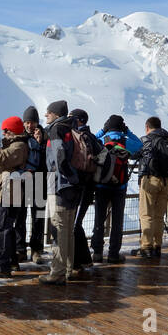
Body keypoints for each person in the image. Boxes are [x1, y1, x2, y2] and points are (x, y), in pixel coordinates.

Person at [40, 101, 81, 283]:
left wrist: (66, 175)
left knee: (59, 229)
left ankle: (57, 273)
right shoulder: (72, 127)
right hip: (73, 185)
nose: (46, 115)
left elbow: (59, 156)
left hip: (60, 184)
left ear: (56, 114)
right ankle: (69, 269)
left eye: (49, 112)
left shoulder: (56, 129)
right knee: (68, 229)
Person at [0, 117, 30, 278]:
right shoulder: (14, 145)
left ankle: (1, 266)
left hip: (8, 192)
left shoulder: (18, 146)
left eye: (6, 130)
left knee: (1, 229)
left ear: (14, 131)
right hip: (8, 191)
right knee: (7, 229)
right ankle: (11, 262)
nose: (3, 133)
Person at [93, 114, 142, 261]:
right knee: (117, 221)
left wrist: (103, 130)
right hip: (120, 187)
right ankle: (113, 254)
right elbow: (140, 144)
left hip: (101, 185)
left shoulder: (101, 140)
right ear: (121, 127)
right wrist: (127, 132)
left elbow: (90, 140)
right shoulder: (125, 141)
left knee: (98, 219)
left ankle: (97, 253)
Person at [134, 115, 168, 259]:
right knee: (159, 216)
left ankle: (146, 247)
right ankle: (157, 246)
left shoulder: (146, 140)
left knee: (146, 214)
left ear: (147, 127)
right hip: (166, 182)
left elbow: (134, 154)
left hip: (150, 179)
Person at [16, 106, 48, 263]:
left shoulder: (45, 135)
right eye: (27, 122)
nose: (30, 126)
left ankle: (36, 250)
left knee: (38, 217)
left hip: (39, 180)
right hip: (22, 182)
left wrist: (41, 144)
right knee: (20, 216)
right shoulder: (18, 136)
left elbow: (48, 159)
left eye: (33, 122)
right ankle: (20, 249)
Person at [68, 108, 99, 273]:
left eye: (71, 118)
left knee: (74, 224)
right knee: (76, 223)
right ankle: (84, 260)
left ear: (79, 120)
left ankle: (78, 262)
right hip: (89, 186)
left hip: (80, 186)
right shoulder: (92, 137)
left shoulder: (80, 137)